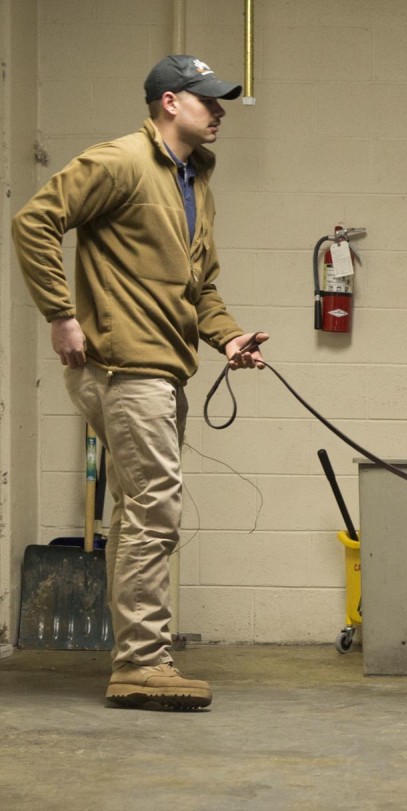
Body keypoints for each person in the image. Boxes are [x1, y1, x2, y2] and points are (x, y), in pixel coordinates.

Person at [12, 55, 267, 710]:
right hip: (125, 367)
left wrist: (230, 337)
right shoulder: (121, 161)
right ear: (170, 103)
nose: (220, 110)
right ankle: (142, 663)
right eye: (208, 99)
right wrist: (60, 314)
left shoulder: (193, 183)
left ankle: (140, 656)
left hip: (162, 368)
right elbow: (34, 219)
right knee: (156, 509)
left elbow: (200, 287)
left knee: (140, 511)